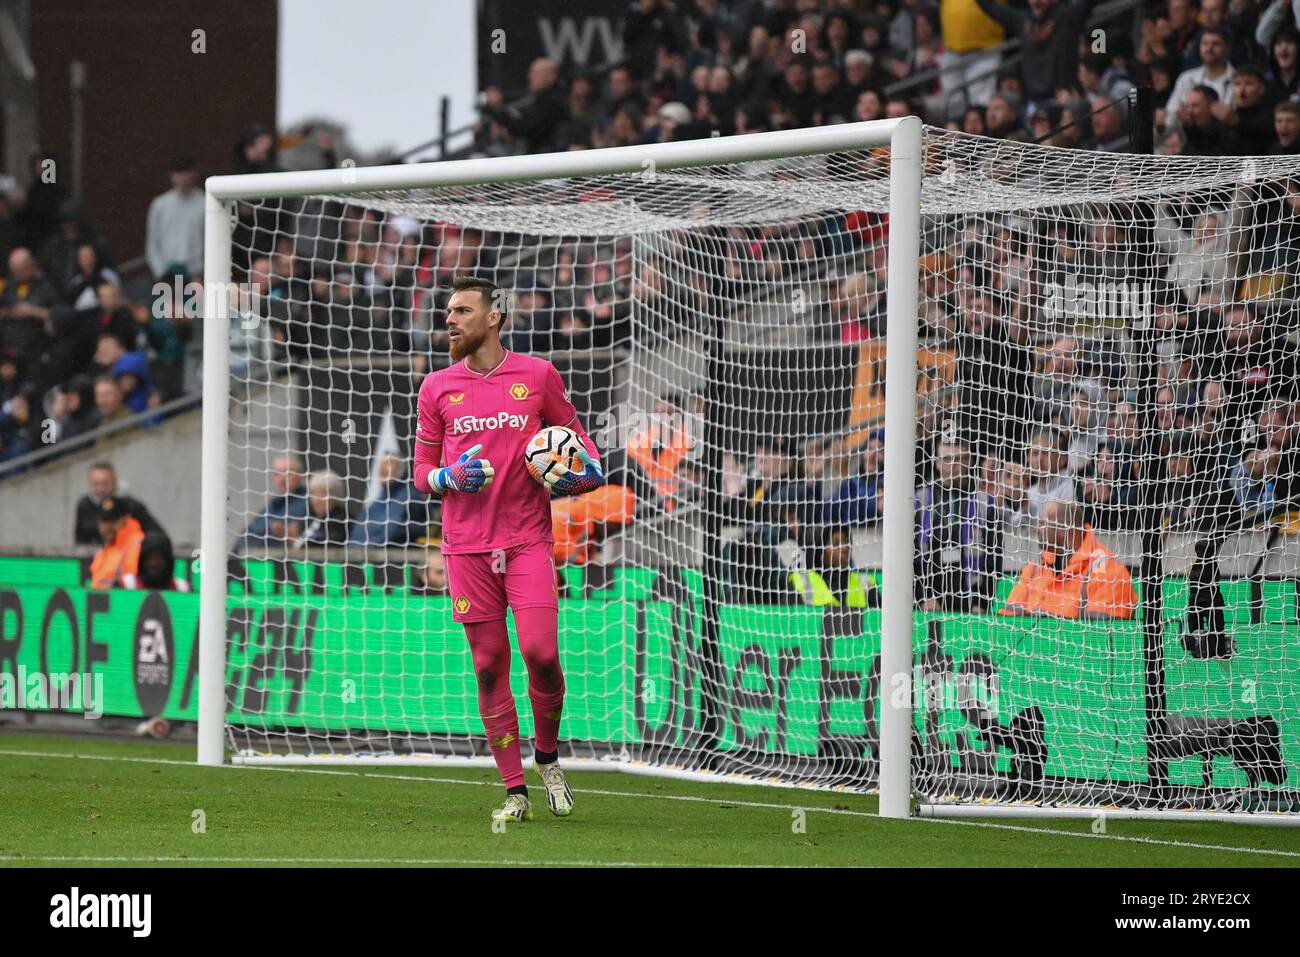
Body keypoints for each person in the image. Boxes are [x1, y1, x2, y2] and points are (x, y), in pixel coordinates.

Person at [411, 275, 603, 824]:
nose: (449, 320)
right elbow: (421, 473)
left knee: (541, 653)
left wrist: (573, 477)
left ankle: (548, 757)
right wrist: (447, 476)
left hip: (526, 540)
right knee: (490, 665)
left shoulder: (538, 376)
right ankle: (515, 789)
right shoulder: (436, 388)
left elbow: (587, 458)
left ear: (494, 318)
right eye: (447, 311)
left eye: (462, 311)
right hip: (466, 547)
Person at [1000, 498, 1137, 620]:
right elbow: (1008, 621)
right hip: (1028, 648)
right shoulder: (1034, 569)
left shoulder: (1109, 571)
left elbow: (1100, 637)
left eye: (1042, 524)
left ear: (1063, 530)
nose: (1036, 529)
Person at [74, 461, 167, 545]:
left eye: (105, 483)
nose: (100, 489)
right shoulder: (84, 505)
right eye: (96, 484)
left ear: (115, 482)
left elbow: (155, 533)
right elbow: (79, 539)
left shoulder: (132, 506)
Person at [145, 156, 205, 284]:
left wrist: (202, 272)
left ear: (194, 174)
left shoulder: (205, 203)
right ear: (172, 176)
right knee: (170, 304)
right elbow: (153, 242)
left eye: (185, 174)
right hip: (167, 274)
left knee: (197, 304)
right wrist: (161, 273)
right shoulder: (160, 205)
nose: (182, 178)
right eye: (178, 174)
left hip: (196, 275)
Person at [237, 455, 309, 552]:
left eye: (288, 473)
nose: (282, 479)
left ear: (301, 475)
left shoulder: (310, 503)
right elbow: (249, 532)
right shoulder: (274, 504)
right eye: (277, 474)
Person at [88, 497, 146, 590]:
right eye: (104, 521)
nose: (107, 526)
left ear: (125, 519)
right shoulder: (104, 550)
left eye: (113, 521)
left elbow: (134, 584)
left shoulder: (137, 544)